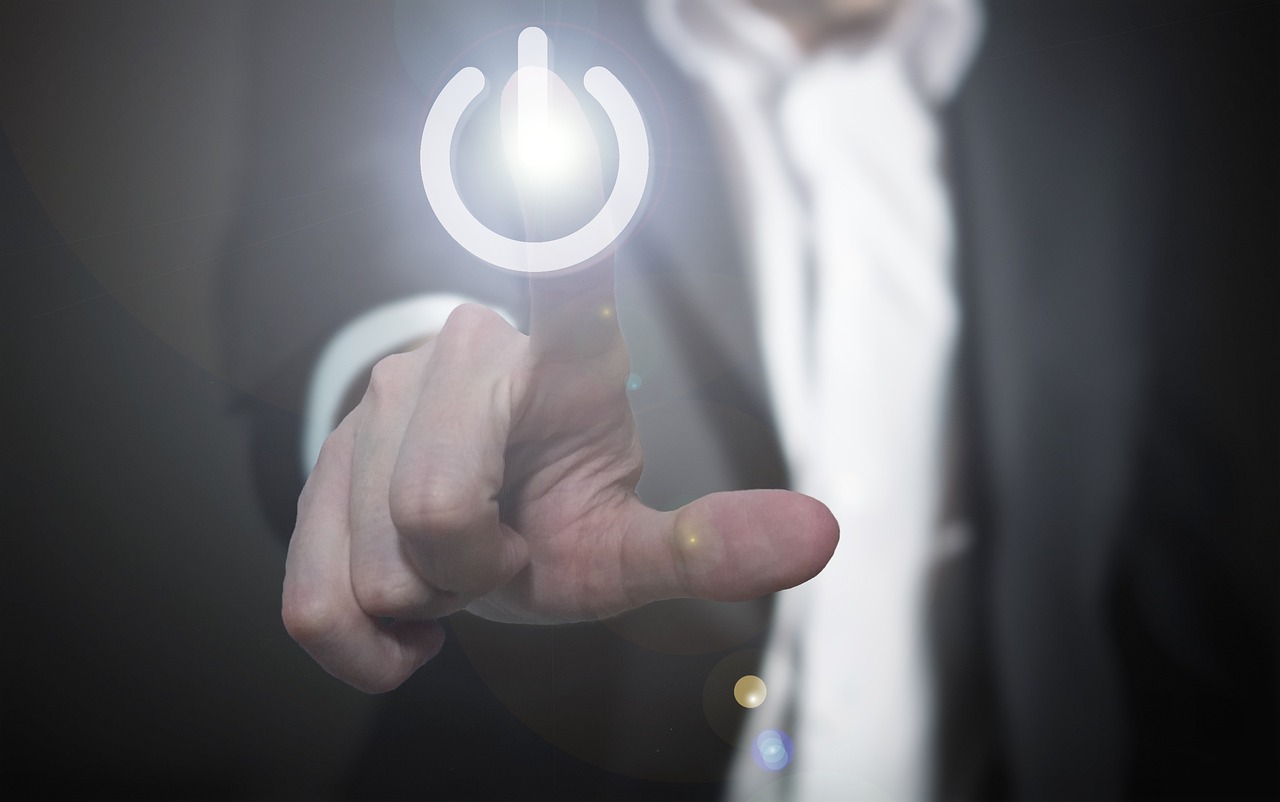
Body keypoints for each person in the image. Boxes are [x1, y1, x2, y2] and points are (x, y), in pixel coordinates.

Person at [219, 0, 1277, 799]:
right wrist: (411, 410)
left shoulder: (1119, 69)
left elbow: (1169, 577)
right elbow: (353, 247)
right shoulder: (451, 25)